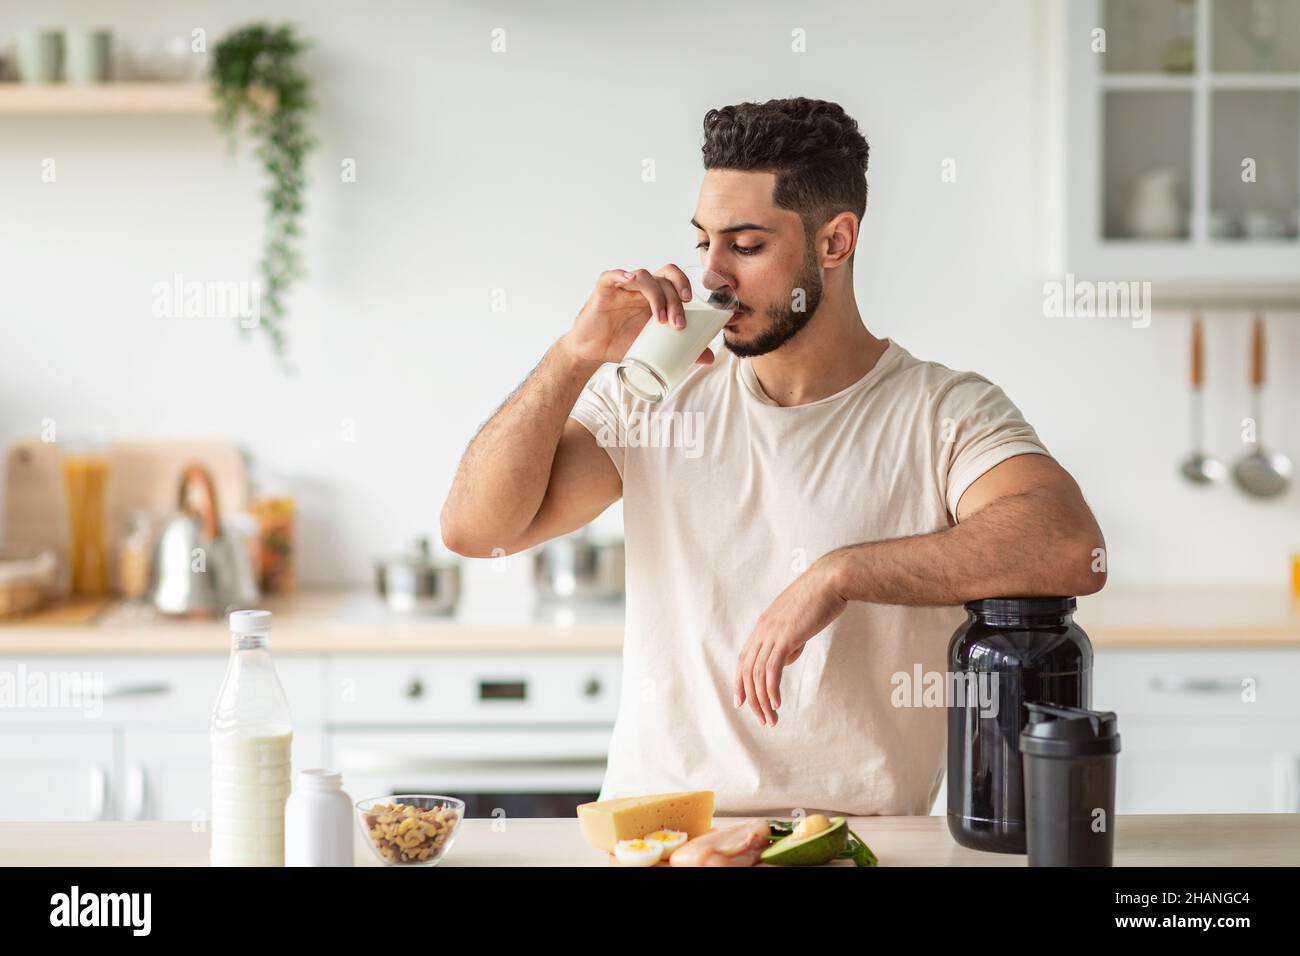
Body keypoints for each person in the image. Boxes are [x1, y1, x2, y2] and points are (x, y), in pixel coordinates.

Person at [441, 97, 1106, 817]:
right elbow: (477, 531)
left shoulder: (942, 410)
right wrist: (573, 357)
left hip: (853, 847)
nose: (713, 276)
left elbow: (1070, 546)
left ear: (836, 242)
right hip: (660, 840)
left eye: (746, 246)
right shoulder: (657, 392)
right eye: (703, 243)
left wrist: (839, 574)